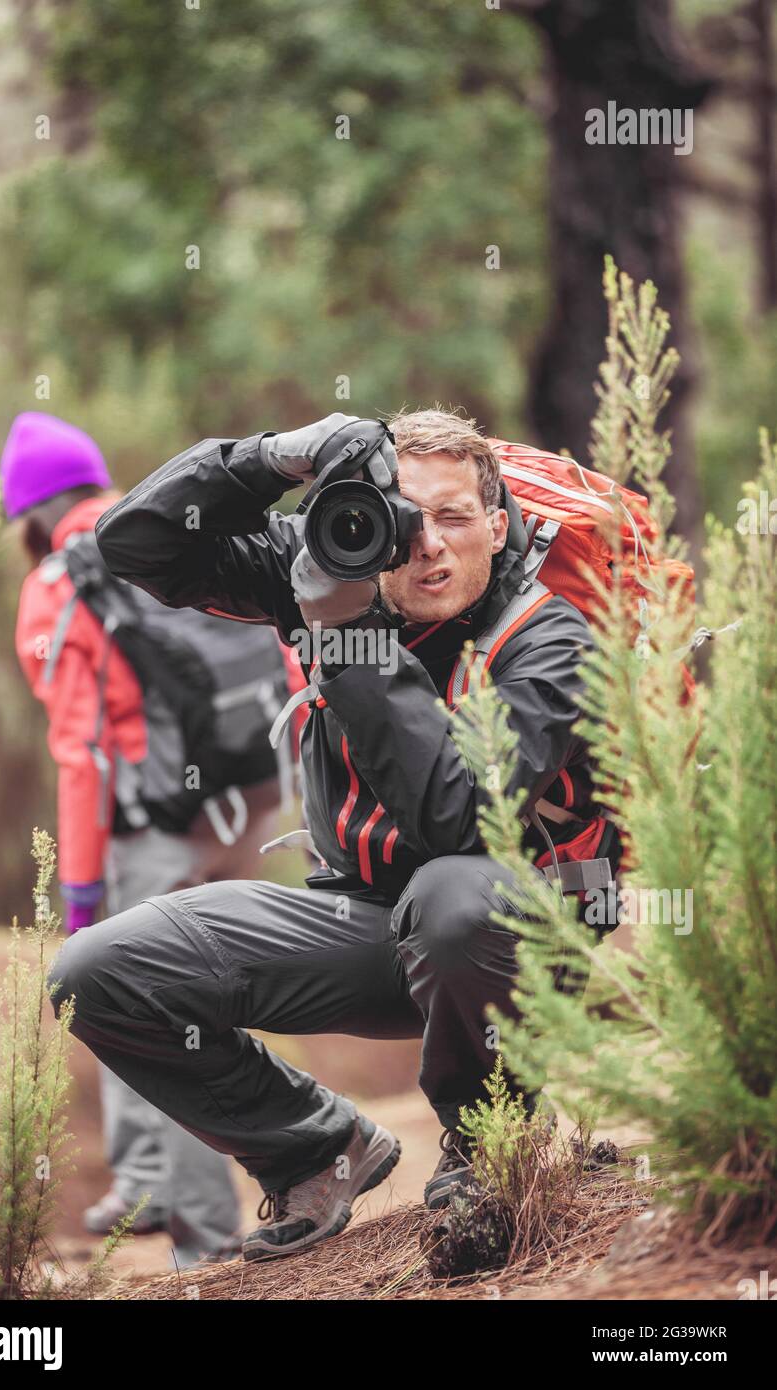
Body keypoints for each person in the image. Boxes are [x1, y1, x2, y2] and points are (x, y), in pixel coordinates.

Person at [48, 407, 597, 1263]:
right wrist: (273, 458)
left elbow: (457, 819)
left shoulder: (548, 640)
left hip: (512, 937)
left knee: (452, 894)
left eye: (454, 517)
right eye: (405, 517)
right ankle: (312, 1148)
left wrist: (345, 633)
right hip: (368, 925)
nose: (428, 545)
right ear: (364, 515)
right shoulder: (331, 563)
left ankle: (492, 1141)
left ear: (499, 525)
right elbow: (135, 545)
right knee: (99, 971)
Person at [2, 410, 286, 1266]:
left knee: (146, 1007)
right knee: (191, 999)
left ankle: (205, 1247)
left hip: (156, 829)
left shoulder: (58, 584)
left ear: (33, 513)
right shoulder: (175, 529)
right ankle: (153, 1180)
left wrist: (80, 891)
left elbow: (82, 755)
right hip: (259, 803)